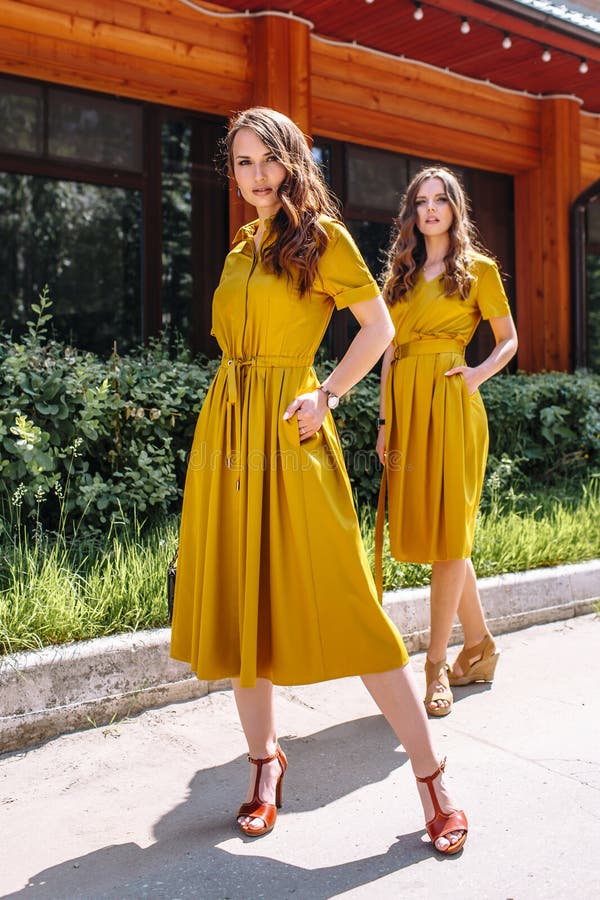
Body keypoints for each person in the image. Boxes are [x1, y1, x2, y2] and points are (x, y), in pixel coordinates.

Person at [170, 108, 467, 855]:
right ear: (231, 175)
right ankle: (265, 765)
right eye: (241, 163)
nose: (256, 175)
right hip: (230, 433)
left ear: (294, 161)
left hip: (292, 429)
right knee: (245, 604)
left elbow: (379, 328)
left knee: (351, 604)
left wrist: (328, 393)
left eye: (268, 159)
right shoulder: (242, 246)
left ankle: (432, 780)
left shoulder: (320, 239)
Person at [376, 167, 518, 718]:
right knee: (439, 534)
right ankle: (479, 647)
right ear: (412, 212)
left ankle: (435, 665)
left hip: (454, 405)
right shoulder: (401, 274)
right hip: (408, 411)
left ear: (456, 209)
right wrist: (386, 422)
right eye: (421, 201)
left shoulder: (478, 270)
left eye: (441, 200)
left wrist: (477, 374)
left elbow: (509, 341)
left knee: (450, 532)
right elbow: (388, 353)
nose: (431, 209)